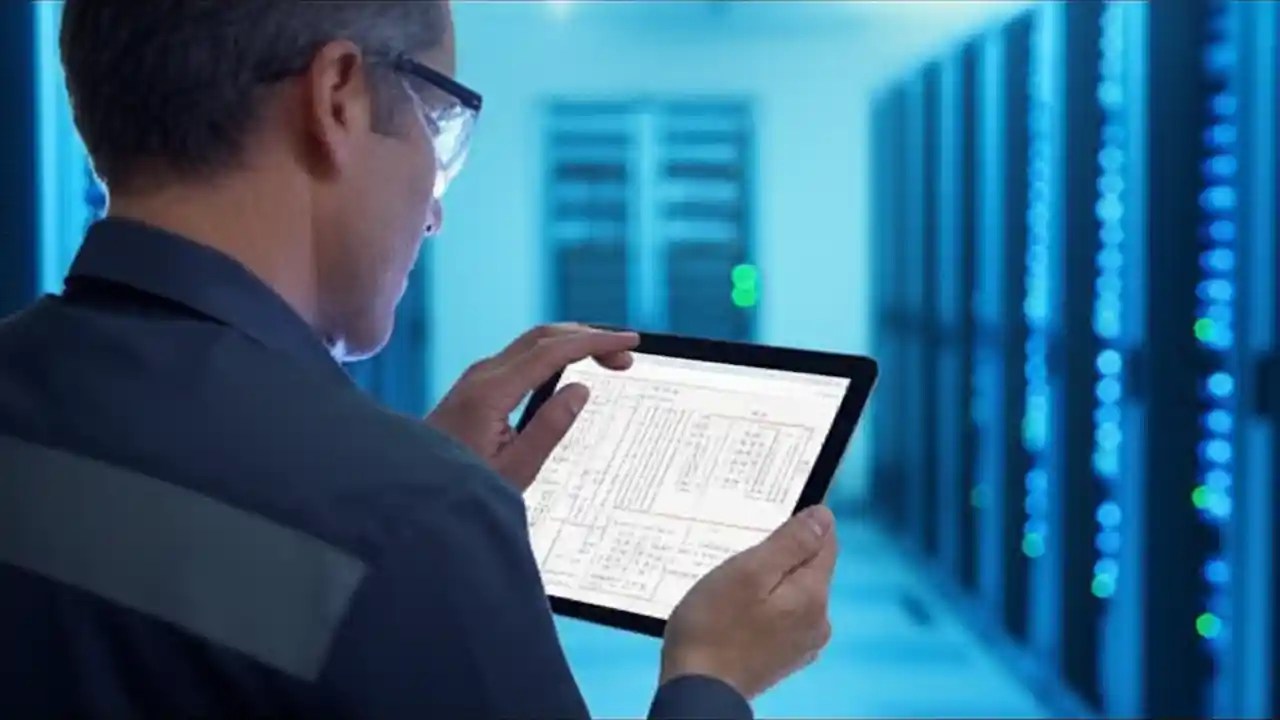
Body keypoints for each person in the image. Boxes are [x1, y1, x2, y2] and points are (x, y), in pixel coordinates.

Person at [0, 1, 838, 718]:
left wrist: (403, 501)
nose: (433, 212)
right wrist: (712, 677)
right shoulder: (412, 521)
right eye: (441, 124)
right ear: (338, 97)